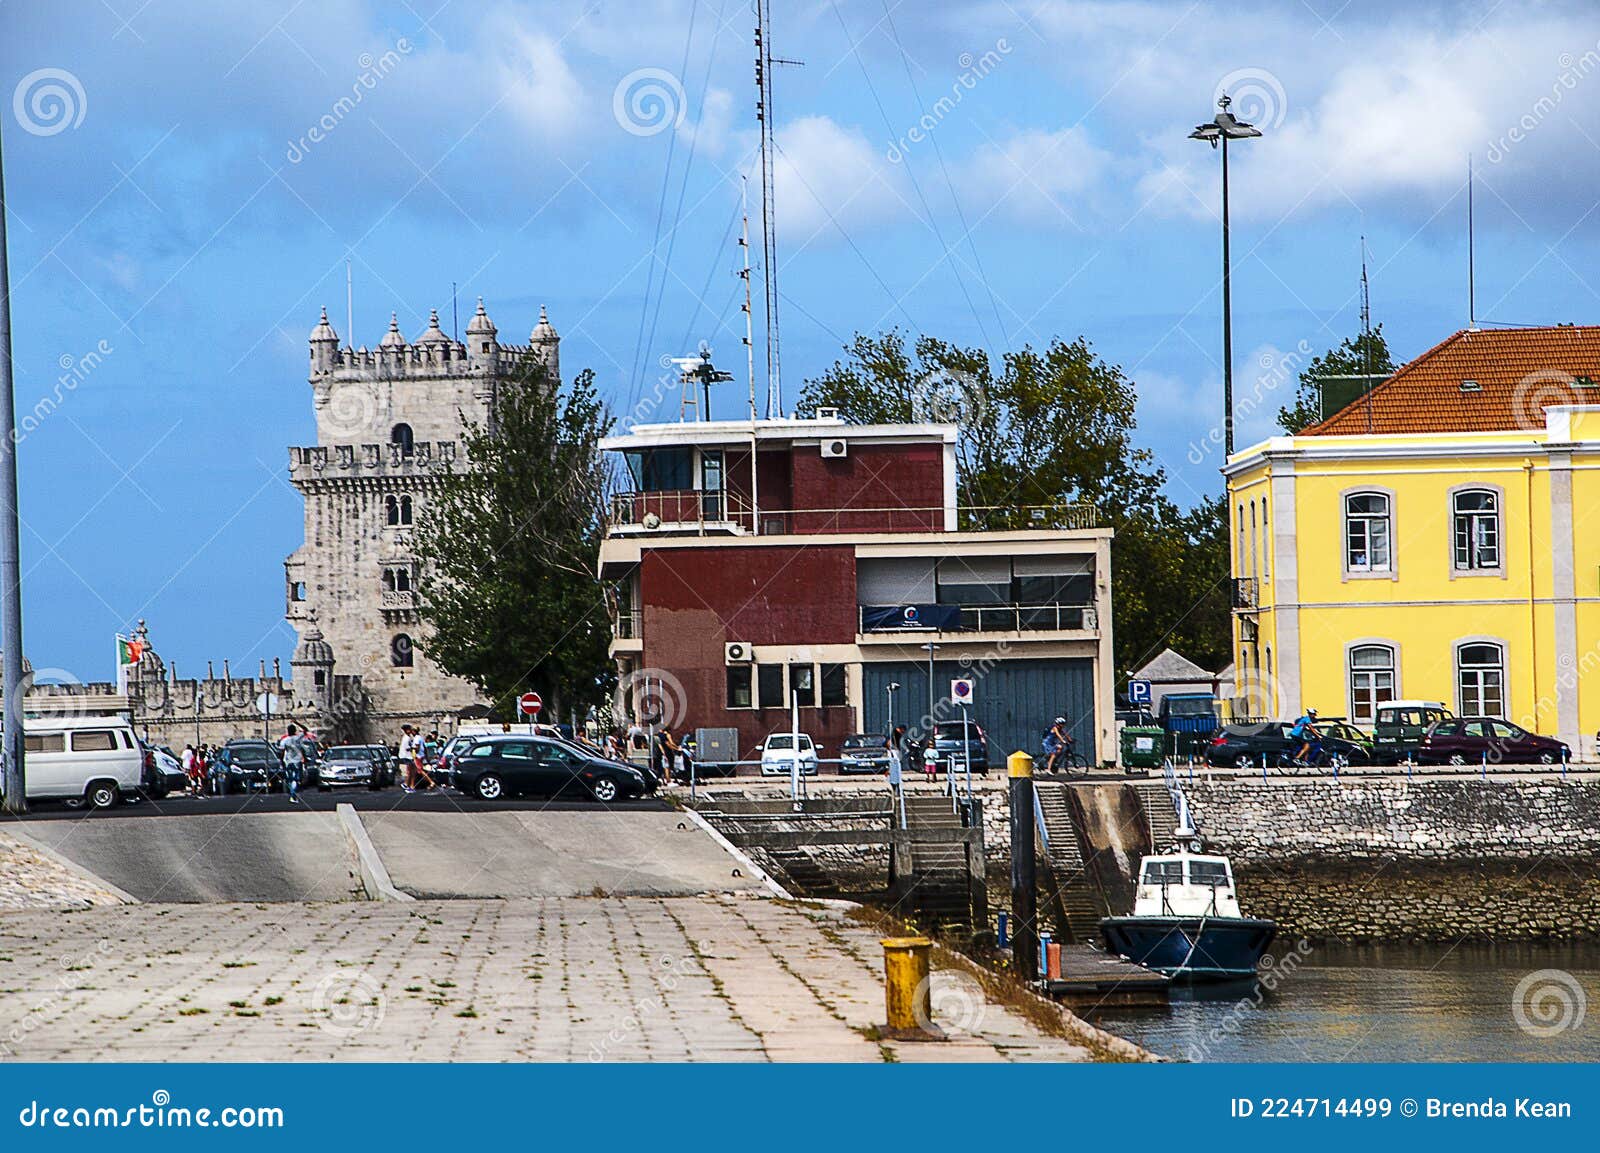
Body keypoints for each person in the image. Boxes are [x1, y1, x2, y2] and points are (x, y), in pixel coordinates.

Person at [277, 723, 311, 804]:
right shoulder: (298, 738)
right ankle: (293, 795)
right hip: (297, 761)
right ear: (295, 731)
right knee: (295, 779)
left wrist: (281, 762)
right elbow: (305, 729)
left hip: (288, 761)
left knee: (290, 779)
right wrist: (297, 723)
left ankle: (292, 794)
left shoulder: (284, 740)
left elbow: (281, 752)